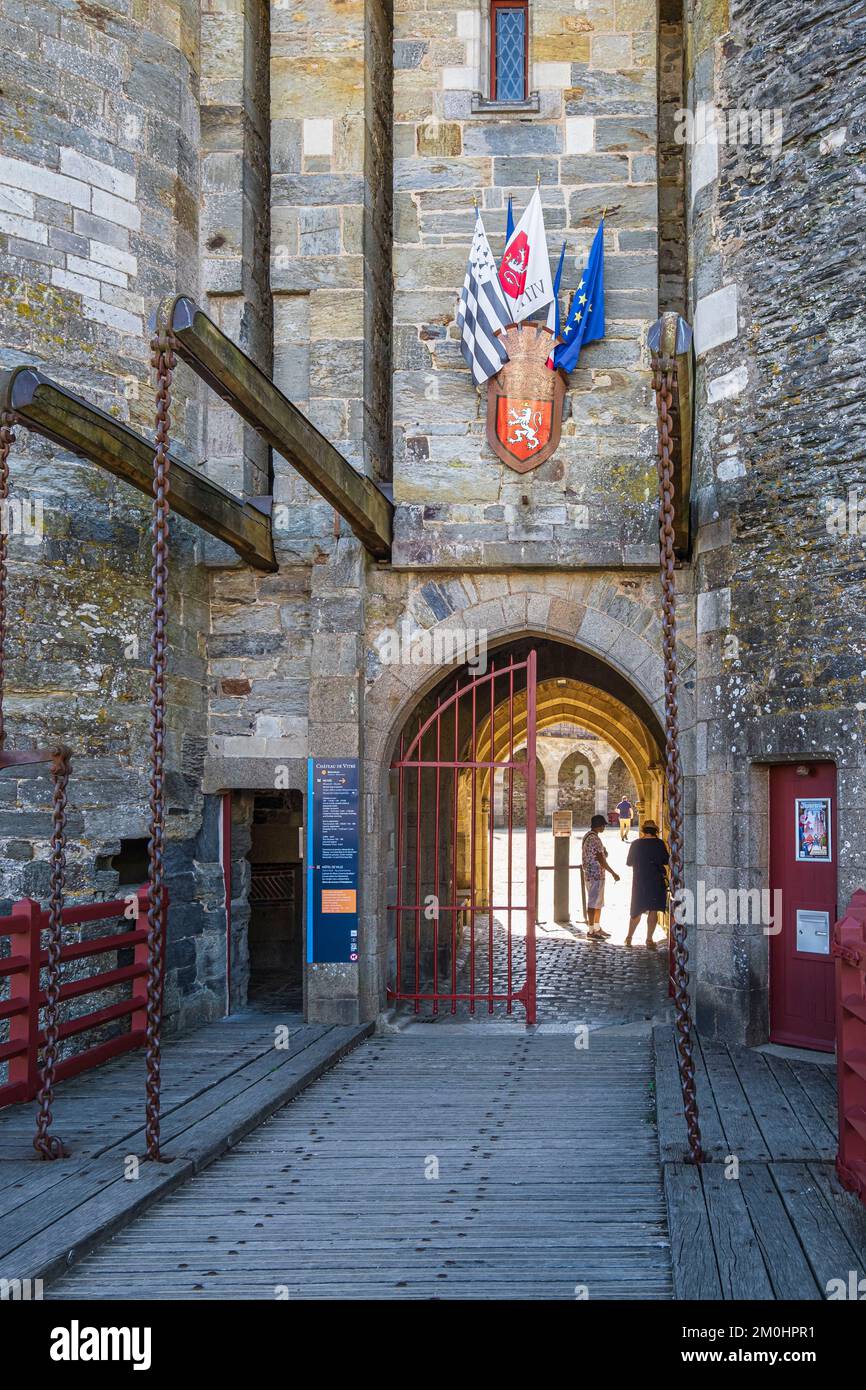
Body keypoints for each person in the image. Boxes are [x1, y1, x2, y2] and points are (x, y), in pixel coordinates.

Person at [625, 820, 669, 949]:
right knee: (653, 909)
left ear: (643, 831)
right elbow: (666, 860)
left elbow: (629, 862)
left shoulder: (636, 844)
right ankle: (649, 939)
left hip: (640, 880)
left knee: (636, 909)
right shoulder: (659, 844)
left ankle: (629, 937)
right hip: (655, 880)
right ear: (655, 831)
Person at [581, 813, 620, 940]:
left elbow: (599, 854)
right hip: (595, 875)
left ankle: (596, 928)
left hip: (591, 874)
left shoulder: (588, 836)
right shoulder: (595, 839)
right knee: (593, 903)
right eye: (603, 825)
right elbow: (601, 860)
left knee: (597, 903)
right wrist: (613, 873)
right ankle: (591, 931)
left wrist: (604, 853)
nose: (604, 827)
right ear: (598, 826)